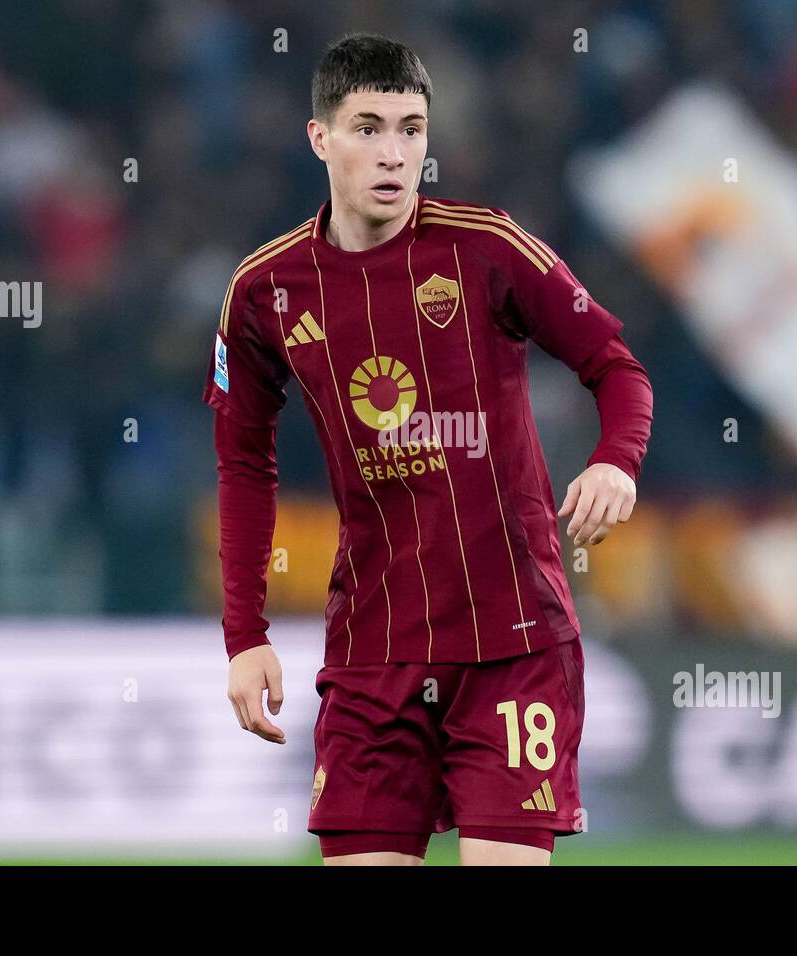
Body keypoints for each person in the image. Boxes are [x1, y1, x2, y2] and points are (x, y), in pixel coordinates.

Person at [204, 32, 653, 865]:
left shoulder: (487, 249)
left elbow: (616, 367)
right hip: (373, 654)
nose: (393, 152)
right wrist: (245, 634)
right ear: (319, 138)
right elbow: (243, 462)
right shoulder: (264, 292)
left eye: (411, 129)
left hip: (512, 642)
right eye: (368, 127)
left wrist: (614, 460)